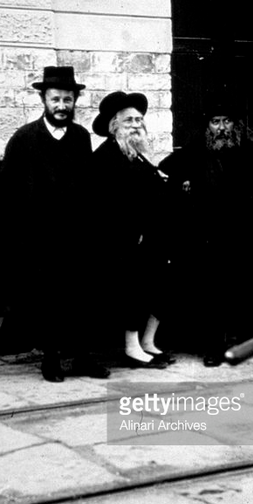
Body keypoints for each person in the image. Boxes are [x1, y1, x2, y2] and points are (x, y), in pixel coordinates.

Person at [0, 66, 109, 382]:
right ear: (44, 100)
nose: (61, 106)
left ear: (75, 101)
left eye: (67, 99)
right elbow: (8, 192)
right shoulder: (24, 139)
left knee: (82, 299)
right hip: (40, 238)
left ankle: (83, 358)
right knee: (48, 301)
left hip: (77, 236)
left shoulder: (80, 137)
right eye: (55, 99)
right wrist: (21, 236)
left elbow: (88, 186)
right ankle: (51, 360)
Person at [159, 106, 253, 365]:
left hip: (242, 231)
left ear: (235, 124)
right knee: (210, 291)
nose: (221, 128)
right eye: (215, 122)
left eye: (227, 121)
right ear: (207, 126)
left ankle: (244, 341)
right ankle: (214, 346)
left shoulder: (247, 149)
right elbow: (167, 168)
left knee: (243, 287)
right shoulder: (196, 148)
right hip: (207, 233)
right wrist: (184, 179)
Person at [91, 91, 172, 367]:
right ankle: (132, 347)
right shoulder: (106, 157)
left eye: (139, 119)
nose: (137, 124)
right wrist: (132, 230)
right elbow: (110, 202)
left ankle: (148, 342)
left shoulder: (139, 155)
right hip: (126, 239)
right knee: (133, 291)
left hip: (151, 235)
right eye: (129, 121)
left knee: (157, 287)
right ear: (114, 126)